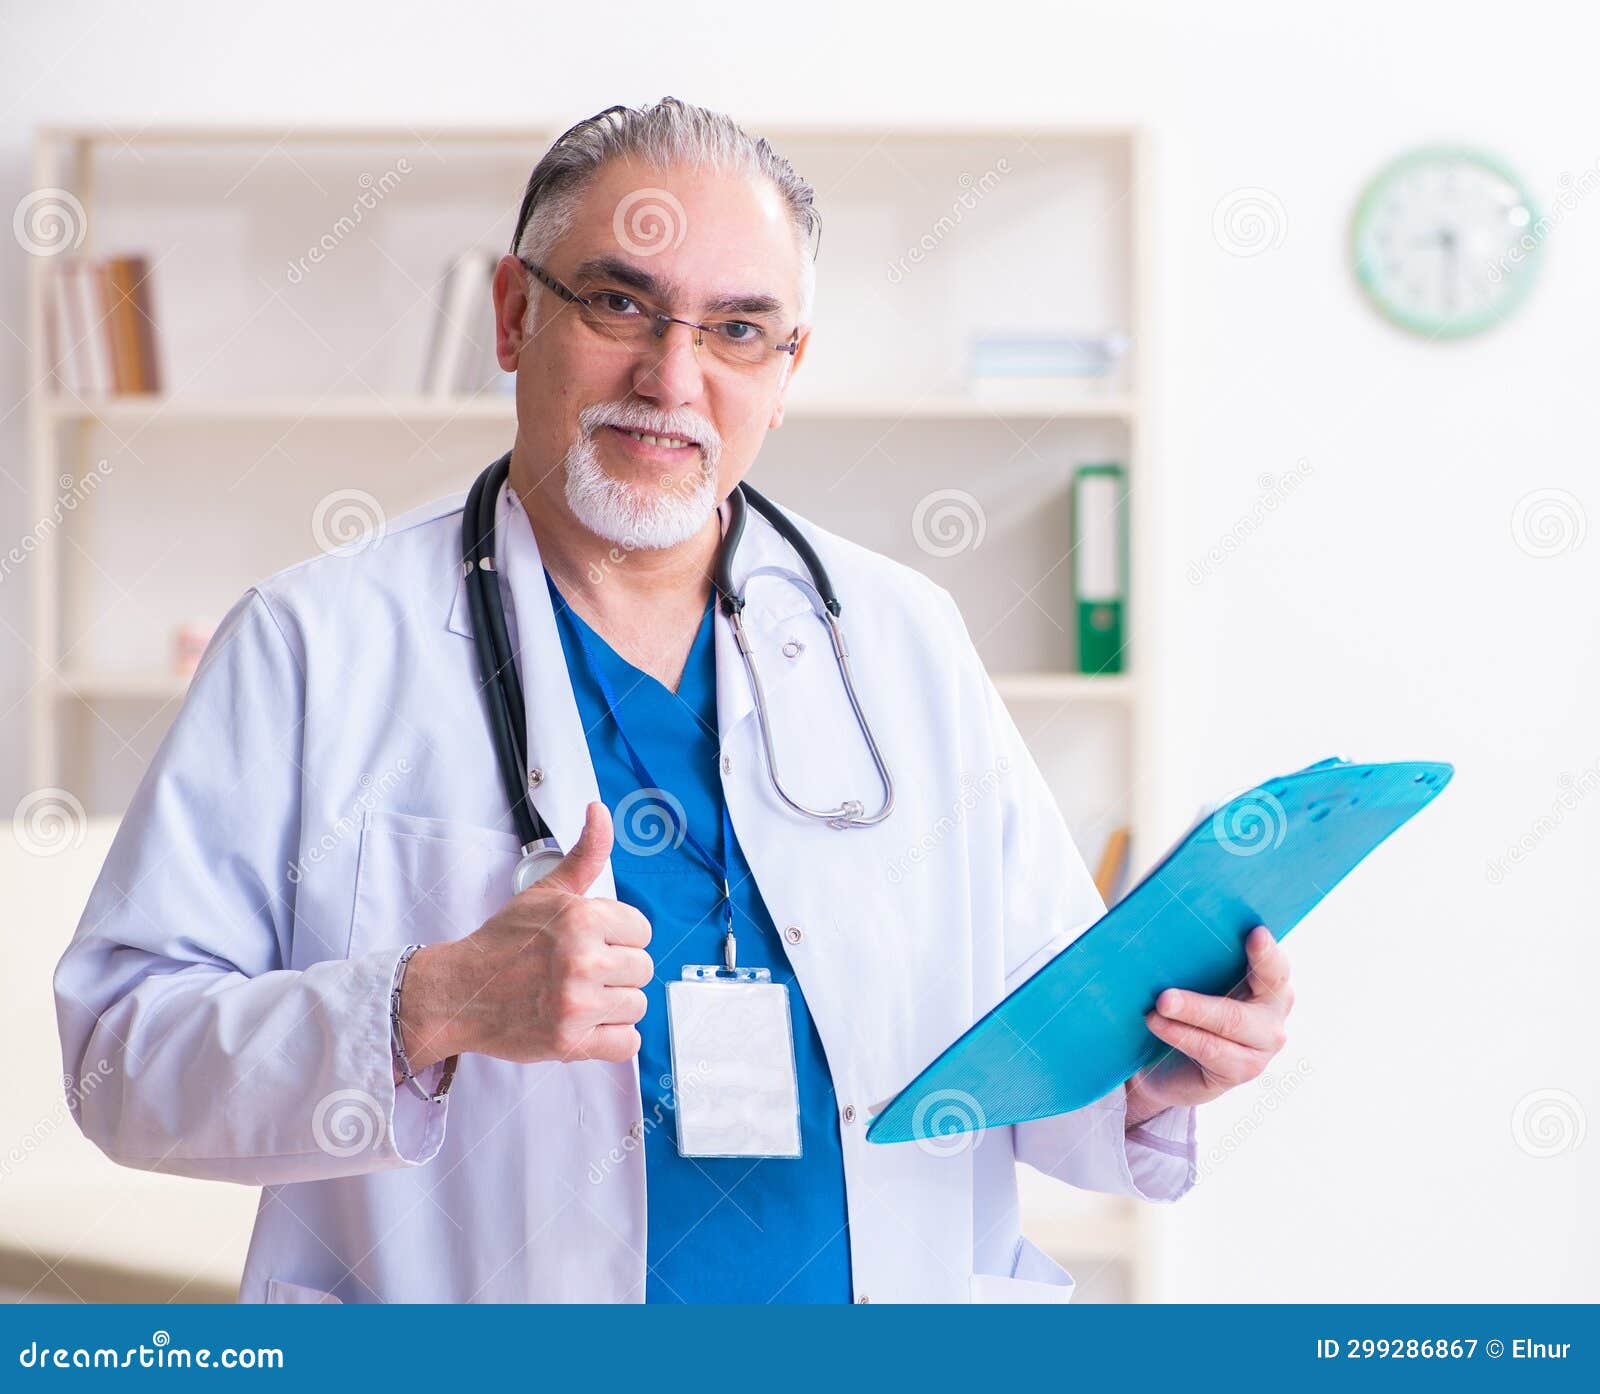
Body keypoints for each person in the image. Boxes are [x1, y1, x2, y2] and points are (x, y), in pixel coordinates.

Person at [54, 97, 1293, 1304]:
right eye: (618, 301)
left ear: (788, 366)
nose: (671, 374)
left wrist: (1155, 1061)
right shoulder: (315, 644)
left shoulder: (901, 639)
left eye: (739, 329)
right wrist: (429, 1001)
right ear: (510, 312)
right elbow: (119, 1057)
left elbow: (1028, 1030)